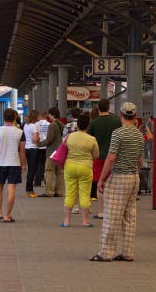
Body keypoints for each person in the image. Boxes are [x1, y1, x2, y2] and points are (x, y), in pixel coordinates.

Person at [91, 102, 144, 262]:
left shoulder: (118, 133)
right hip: (134, 178)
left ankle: (106, 252)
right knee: (129, 216)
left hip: (119, 177)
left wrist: (101, 180)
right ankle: (127, 252)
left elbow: (111, 157)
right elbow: (140, 161)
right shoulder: (138, 135)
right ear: (134, 116)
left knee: (112, 215)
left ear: (121, 115)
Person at [61, 113, 98, 227]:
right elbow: (96, 155)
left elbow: (63, 148)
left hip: (70, 166)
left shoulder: (69, 137)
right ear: (88, 125)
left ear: (77, 125)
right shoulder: (92, 139)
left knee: (70, 193)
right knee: (85, 194)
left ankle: (67, 221)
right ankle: (85, 221)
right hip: (85, 167)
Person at [87, 98, 122, 219]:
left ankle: (101, 212)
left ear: (98, 108)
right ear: (109, 107)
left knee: (100, 184)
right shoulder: (117, 121)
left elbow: (89, 141)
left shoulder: (94, 122)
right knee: (112, 185)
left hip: (98, 157)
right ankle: (113, 211)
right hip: (115, 157)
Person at [0, 108, 26, 223]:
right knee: (11, 188)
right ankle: (7, 216)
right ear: (15, 118)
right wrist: (23, 164)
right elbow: (22, 151)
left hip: (1, 163)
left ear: (3, 117)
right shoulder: (20, 132)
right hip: (14, 163)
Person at [39, 107, 64, 197]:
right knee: (60, 172)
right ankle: (59, 191)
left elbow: (49, 139)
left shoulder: (52, 125)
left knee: (49, 171)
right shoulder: (62, 124)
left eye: (49, 114)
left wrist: (39, 144)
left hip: (52, 152)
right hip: (61, 152)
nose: (48, 116)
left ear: (52, 115)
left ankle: (49, 191)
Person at [23, 111, 40, 198]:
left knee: (30, 170)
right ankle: (29, 190)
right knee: (32, 171)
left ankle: (29, 189)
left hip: (27, 148)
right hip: (33, 149)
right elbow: (35, 139)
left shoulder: (26, 125)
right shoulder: (34, 126)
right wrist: (39, 138)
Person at [34, 110, 49, 186]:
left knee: (39, 164)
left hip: (39, 147)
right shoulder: (49, 124)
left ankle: (37, 181)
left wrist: (36, 143)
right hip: (47, 146)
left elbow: (35, 137)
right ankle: (46, 181)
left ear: (40, 116)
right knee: (46, 164)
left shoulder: (36, 124)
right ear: (46, 116)